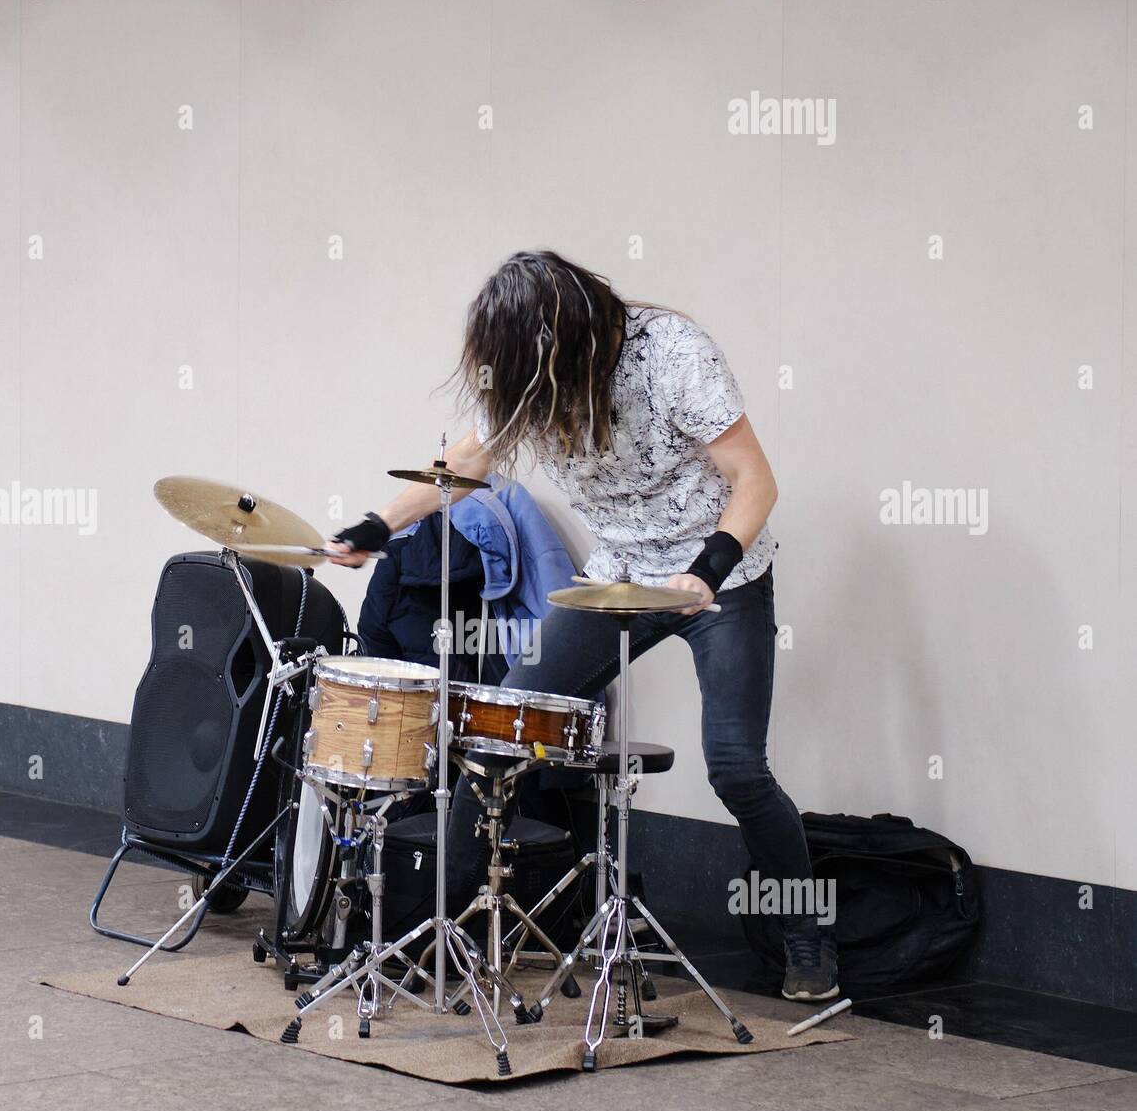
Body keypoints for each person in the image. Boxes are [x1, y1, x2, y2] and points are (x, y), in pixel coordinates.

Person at [327, 250, 837, 1001]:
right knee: (498, 728)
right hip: (616, 579)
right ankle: (439, 925)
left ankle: (807, 941)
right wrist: (377, 525)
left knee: (736, 767)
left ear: (567, 340)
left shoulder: (672, 355)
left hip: (718, 580)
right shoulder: (528, 378)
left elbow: (755, 480)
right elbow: (463, 462)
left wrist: (708, 569)